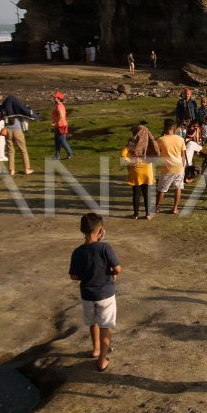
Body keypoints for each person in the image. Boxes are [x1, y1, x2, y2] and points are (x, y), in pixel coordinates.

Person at [68, 212, 121, 373]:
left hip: (87, 295)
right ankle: (102, 361)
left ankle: (96, 350)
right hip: (106, 295)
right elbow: (117, 268)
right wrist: (114, 272)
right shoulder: (105, 247)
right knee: (106, 327)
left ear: (82, 231)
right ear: (101, 231)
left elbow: (73, 275)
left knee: (93, 323)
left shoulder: (78, 252)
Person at [123, 123, 158, 220]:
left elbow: (123, 155)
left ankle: (136, 214)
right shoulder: (149, 141)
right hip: (147, 170)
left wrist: (131, 161)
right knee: (147, 193)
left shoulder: (132, 143)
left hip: (136, 171)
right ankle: (148, 214)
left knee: (136, 194)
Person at [0, 92, 35, 176]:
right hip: (17, 131)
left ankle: (11, 170)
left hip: (8, 131)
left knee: (10, 151)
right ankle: (27, 169)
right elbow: (26, 112)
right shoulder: (17, 109)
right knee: (23, 150)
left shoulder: (5, 109)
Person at [154, 119, 186, 215]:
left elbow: (156, 152)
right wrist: (183, 166)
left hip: (167, 168)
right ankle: (175, 208)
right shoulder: (180, 139)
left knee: (162, 189)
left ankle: (156, 208)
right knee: (178, 188)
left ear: (165, 127)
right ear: (174, 128)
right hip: (179, 167)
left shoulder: (160, 140)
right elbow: (183, 155)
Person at [51, 92, 73, 160]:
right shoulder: (59, 105)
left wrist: (55, 123)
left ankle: (70, 154)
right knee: (57, 141)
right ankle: (57, 156)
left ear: (59, 99)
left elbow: (61, 116)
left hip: (60, 125)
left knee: (62, 141)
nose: (54, 99)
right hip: (59, 125)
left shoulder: (59, 106)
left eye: (55, 98)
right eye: (54, 97)